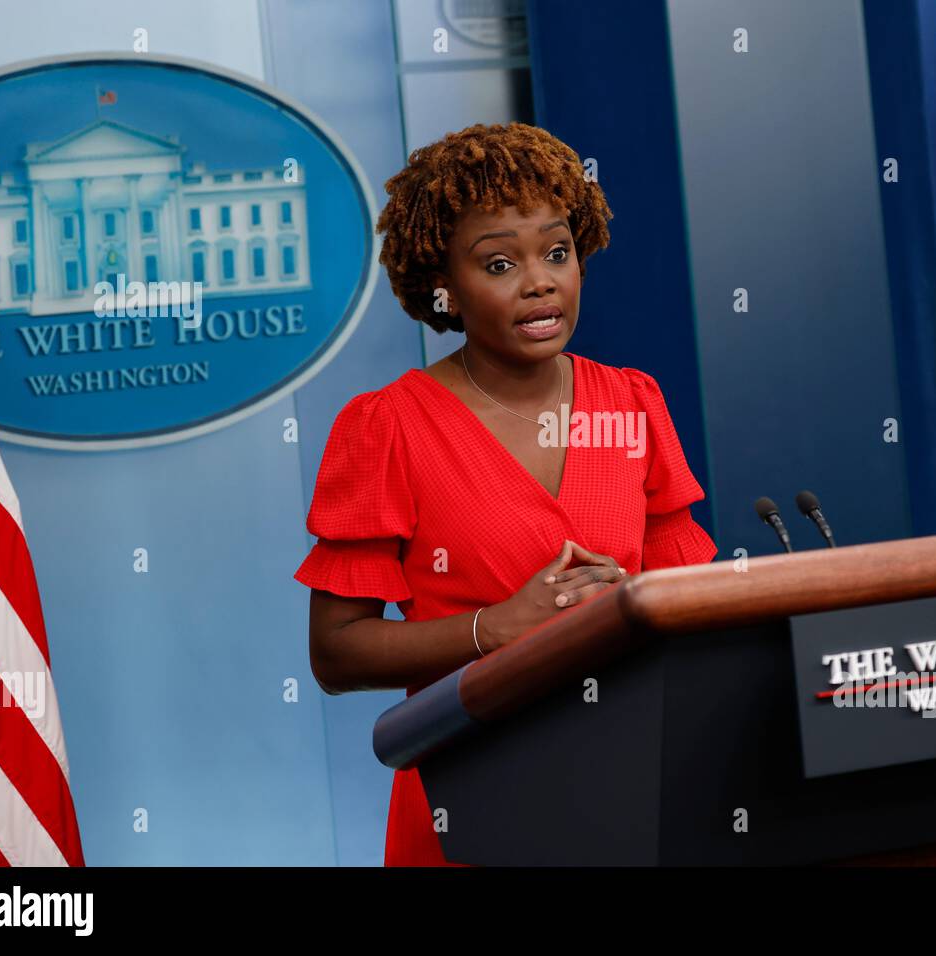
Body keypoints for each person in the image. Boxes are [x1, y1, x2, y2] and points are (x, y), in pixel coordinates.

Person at [295, 121, 717, 866]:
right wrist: (495, 628)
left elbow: (692, 605)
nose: (540, 281)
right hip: (475, 786)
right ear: (443, 287)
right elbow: (335, 655)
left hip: (635, 773)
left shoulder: (633, 404)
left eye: (557, 253)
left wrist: (635, 604)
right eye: (498, 263)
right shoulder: (387, 427)